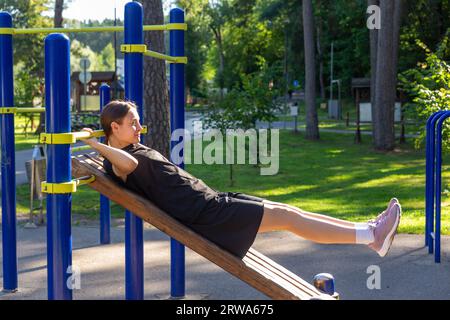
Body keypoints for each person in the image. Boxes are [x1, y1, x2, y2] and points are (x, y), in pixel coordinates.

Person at [81, 100, 401, 259]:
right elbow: (128, 164)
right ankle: (370, 235)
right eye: (132, 123)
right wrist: (94, 144)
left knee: (289, 212)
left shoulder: (131, 147)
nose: (139, 127)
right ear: (114, 128)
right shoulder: (118, 164)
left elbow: (131, 154)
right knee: (289, 218)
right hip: (207, 216)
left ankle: (370, 233)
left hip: (212, 202)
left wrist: (106, 143)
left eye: (138, 122)